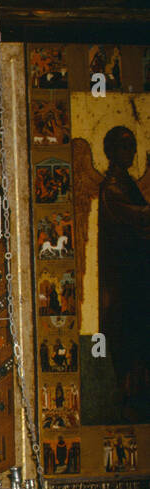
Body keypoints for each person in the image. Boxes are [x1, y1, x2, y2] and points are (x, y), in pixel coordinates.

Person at [96, 125, 150, 418]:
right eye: (124, 146)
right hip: (122, 280)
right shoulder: (113, 187)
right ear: (111, 151)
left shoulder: (127, 182)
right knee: (128, 336)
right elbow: (134, 216)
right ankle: (130, 395)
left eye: (132, 146)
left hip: (136, 276)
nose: (130, 152)